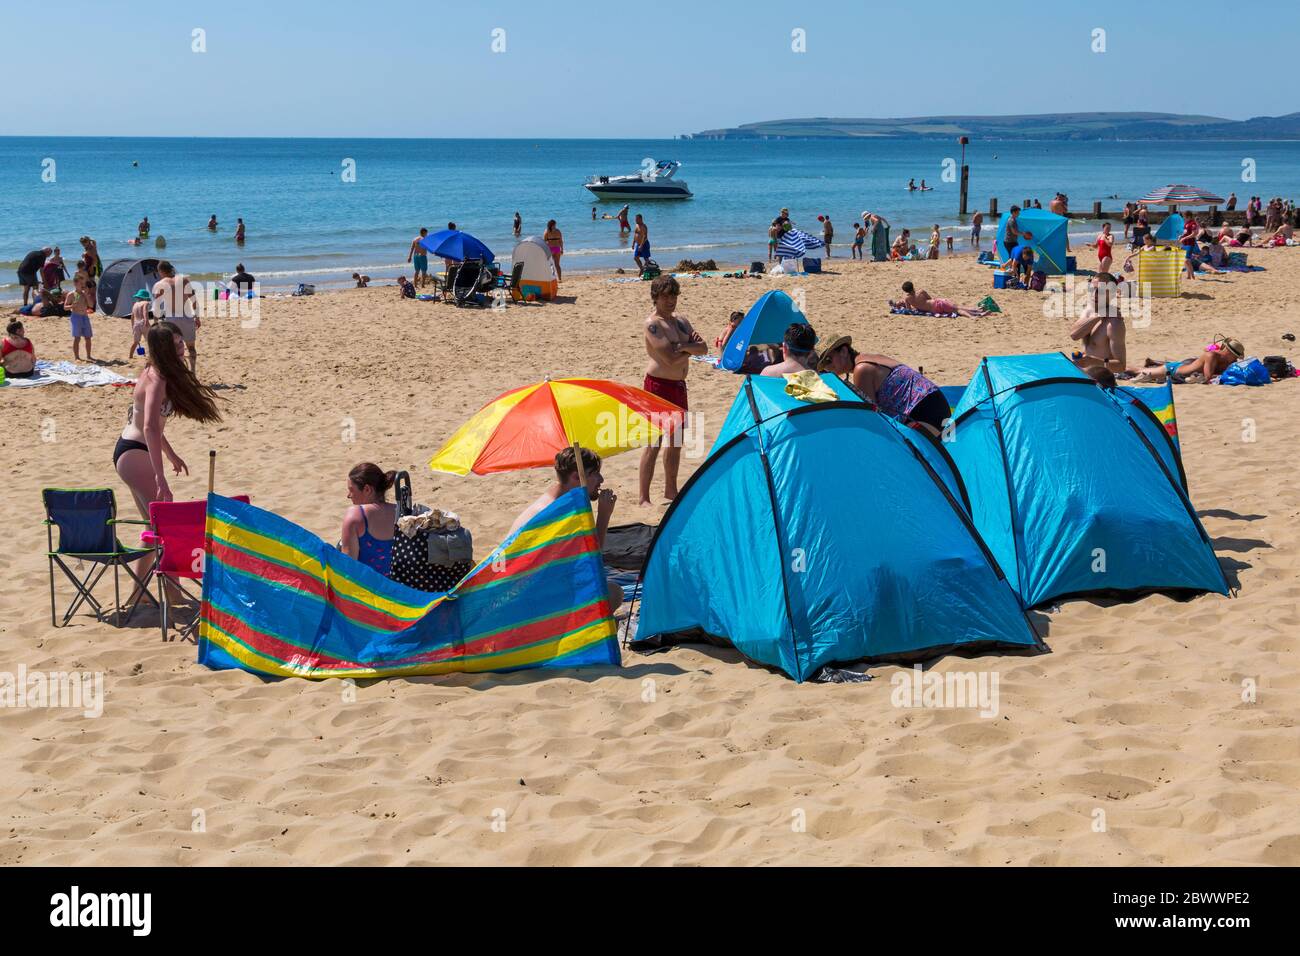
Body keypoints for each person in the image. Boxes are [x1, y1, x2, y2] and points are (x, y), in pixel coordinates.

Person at [114, 321, 222, 589]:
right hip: (135, 454)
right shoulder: (157, 379)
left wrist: (171, 454)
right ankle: (171, 593)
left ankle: (140, 594)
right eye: (175, 344)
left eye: (180, 341)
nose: (182, 347)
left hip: (132, 452)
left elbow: (152, 427)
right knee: (167, 528)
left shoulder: (154, 371)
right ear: (163, 349)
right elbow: (149, 426)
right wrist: (160, 477)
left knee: (153, 531)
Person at [509, 447, 622, 612]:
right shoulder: (556, 513)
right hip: (530, 599)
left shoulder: (557, 499)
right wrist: (604, 516)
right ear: (576, 476)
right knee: (612, 594)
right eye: (595, 473)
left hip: (527, 588)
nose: (601, 479)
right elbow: (592, 560)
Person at [639, 275, 705, 506]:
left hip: (678, 386)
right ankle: (644, 497)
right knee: (654, 442)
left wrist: (683, 347)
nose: (670, 300)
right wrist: (690, 349)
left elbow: (704, 347)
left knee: (675, 442)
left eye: (674, 295)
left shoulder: (681, 321)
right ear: (656, 298)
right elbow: (669, 359)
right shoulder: (653, 324)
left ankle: (670, 490)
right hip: (658, 386)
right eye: (666, 296)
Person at [816, 336, 948, 433]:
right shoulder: (871, 357)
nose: (828, 367)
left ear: (844, 351)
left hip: (924, 412)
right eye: (823, 366)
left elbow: (872, 414)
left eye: (829, 360)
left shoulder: (861, 369)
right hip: (936, 401)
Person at [340, 463, 398, 576]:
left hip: (368, 590)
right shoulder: (400, 512)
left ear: (367, 489)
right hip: (399, 588)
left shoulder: (355, 515)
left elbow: (347, 568)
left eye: (351, 490)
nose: (349, 495)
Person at [1069, 272, 1126, 373]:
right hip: (1084, 374)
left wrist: (1094, 361)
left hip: (1101, 377)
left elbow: (1121, 366)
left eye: (1100, 291)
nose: (1094, 294)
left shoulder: (1114, 324)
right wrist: (1098, 316)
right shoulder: (1088, 310)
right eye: (1092, 289)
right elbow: (1074, 335)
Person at [1129, 337, 1244, 385]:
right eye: (1235, 356)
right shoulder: (1211, 356)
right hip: (1175, 370)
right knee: (1138, 371)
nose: (1235, 359)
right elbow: (1208, 377)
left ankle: (1153, 362)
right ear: (1229, 353)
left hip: (1186, 367)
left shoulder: (1228, 361)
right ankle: (1117, 366)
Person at [151, 261, 200, 372]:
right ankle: (193, 372)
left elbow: (157, 305)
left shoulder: (161, 284)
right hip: (187, 317)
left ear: (160, 271)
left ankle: (178, 371)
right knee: (191, 347)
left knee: (173, 348)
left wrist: (155, 321)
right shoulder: (184, 280)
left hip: (172, 320)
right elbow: (194, 300)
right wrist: (197, 317)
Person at [891, 280, 990, 316]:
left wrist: (916, 307)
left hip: (934, 309)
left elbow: (909, 310)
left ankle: (978, 311)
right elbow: (931, 298)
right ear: (913, 286)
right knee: (958, 308)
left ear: (905, 291)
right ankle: (977, 313)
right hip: (937, 303)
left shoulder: (907, 299)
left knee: (957, 309)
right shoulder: (921, 292)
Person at [63, 272, 96, 362]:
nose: (82, 286)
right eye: (80, 284)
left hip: (85, 316)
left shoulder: (85, 294)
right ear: (75, 284)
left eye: (83, 284)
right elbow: (65, 307)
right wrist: (71, 306)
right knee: (77, 338)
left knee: (88, 337)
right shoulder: (71, 294)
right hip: (76, 316)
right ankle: (77, 357)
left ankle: (89, 355)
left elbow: (91, 305)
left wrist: (86, 295)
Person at [129, 289, 153, 360]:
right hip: (143, 322)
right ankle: (151, 356)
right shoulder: (145, 303)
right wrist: (146, 321)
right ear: (145, 297)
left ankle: (130, 356)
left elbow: (132, 316)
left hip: (136, 324)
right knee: (149, 341)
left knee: (135, 342)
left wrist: (132, 326)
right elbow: (145, 312)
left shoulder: (135, 304)